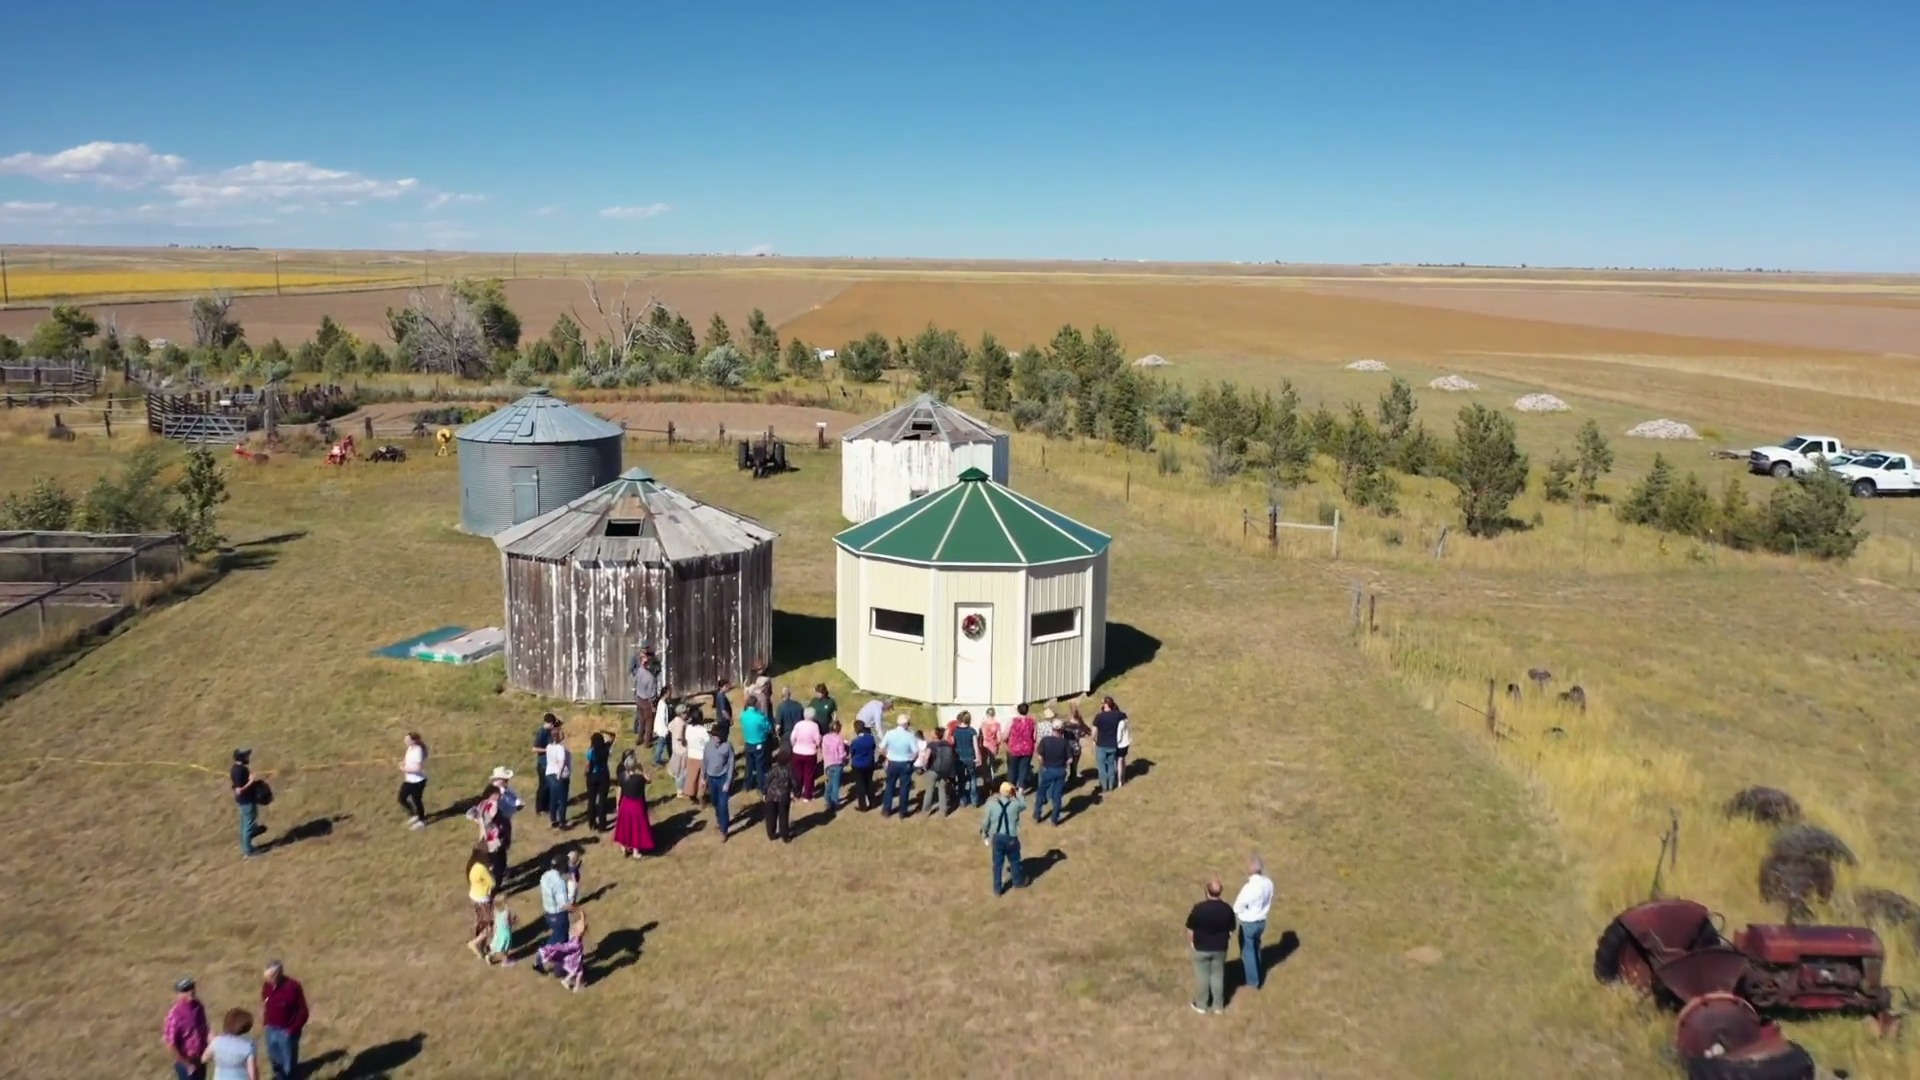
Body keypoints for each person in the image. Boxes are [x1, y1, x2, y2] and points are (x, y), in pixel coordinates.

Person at [1186, 880, 1237, 1014]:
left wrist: (1192, 943)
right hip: (1220, 948)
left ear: (1207, 892)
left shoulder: (1199, 909)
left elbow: (1190, 928)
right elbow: (1232, 929)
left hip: (1201, 947)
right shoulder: (1227, 909)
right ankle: (1218, 1006)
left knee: (1202, 976)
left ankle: (1201, 1005)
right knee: (1218, 976)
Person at [260, 961, 308, 1080]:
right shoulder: (267, 986)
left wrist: (291, 1030)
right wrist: (266, 1022)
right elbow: (265, 1001)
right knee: (274, 1061)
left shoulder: (293, 987)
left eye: (270, 977)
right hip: (270, 1030)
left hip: (286, 1032)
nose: (268, 980)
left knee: (288, 1064)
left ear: (279, 974)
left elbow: (303, 1012)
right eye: (266, 977)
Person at [1233, 855, 1275, 991]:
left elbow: (1237, 906)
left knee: (1248, 951)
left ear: (1251, 869)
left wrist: (1242, 914)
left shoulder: (1250, 887)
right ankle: (1258, 969)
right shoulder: (1268, 883)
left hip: (1249, 923)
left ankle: (1253, 981)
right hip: (1261, 921)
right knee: (1256, 946)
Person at [980, 782, 1027, 895]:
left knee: (997, 865)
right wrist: (1017, 793)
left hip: (997, 838)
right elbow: (1024, 804)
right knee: (1015, 861)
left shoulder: (991, 804)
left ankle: (997, 889)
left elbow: (985, 822)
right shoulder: (1015, 805)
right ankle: (1017, 882)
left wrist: (984, 834)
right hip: (1011, 837)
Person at [163, 976, 210, 1080]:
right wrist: (186, 1064)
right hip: (187, 1063)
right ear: (178, 994)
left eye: (192, 988)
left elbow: (205, 1029)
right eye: (185, 990)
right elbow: (171, 1044)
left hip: (201, 1060)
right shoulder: (175, 1015)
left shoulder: (198, 1007)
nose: (191, 992)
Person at [613, 751, 657, 858]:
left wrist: (618, 804)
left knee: (625, 826)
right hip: (637, 806)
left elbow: (619, 791)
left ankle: (624, 848)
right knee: (637, 828)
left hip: (625, 804)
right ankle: (635, 852)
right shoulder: (640, 778)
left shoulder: (623, 776)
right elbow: (649, 780)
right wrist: (641, 770)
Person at [535, 854, 572, 971]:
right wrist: (577, 909)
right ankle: (543, 956)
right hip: (559, 916)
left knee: (563, 940)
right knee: (559, 940)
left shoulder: (545, 876)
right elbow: (564, 904)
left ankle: (561, 966)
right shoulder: (559, 883)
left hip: (548, 913)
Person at [880, 715, 918, 818]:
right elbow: (915, 752)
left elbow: (881, 748)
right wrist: (911, 760)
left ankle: (886, 810)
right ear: (906, 724)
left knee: (890, 786)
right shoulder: (910, 736)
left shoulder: (890, 733)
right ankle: (902, 811)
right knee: (904, 787)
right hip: (905, 763)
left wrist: (887, 756)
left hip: (892, 762)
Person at [204, 1008, 258, 1080]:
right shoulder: (249, 1045)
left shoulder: (217, 1042)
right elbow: (252, 1072)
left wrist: (211, 1043)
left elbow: (204, 1059)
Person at [703, 726, 736, 840]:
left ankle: (724, 830)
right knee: (715, 802)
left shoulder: (727, 746)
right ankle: (719, 819)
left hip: (723, 778)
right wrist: (703, 778)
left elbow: (731, 764)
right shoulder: (707, 746)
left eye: (719, 737)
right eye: (715, 737)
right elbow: (705, 761)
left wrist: (728, 781)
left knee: (723, 805)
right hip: (711, 778)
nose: (717, 739)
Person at [1034, 721, 1070, 825]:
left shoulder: (1045, 741)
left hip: (1048, 769)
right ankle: (1054, 818)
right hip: (1060, 770)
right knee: (1057, 795)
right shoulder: (1064, 743)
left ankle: (1037, 815)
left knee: (1041, 792)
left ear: (1052, 729)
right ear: (1062, 730)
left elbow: (1039, 755)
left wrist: (1044, 764)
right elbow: (1070, 759)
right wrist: (1064, 764)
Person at [232, 748, 264, 858]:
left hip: (243, 801)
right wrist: (251, 781)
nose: (248, 758)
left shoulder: (234, 769)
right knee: (248, 825)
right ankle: (248, 850)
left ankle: (249, 840)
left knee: (246, 823)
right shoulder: (241, 770)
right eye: (246, 756)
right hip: (247, 801)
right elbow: (239, 790)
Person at [466, 843, 496, 960]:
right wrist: (491, 871)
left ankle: (481, 947)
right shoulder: (482, 868)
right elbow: (492, 883)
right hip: (483, 898)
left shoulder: (472, 865)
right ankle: (474, 943)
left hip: (475, 896)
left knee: (481, 923)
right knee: (490, 925)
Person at [740, 692, 772, 792]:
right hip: (759, 743)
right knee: (760, 766)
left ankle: (747, 785)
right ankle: (761, 786)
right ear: (755, 704)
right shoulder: (759, 717)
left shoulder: (743, 715)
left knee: (749, 765)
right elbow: (768, 728)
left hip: (748, 742)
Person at [1093, 696, 1126, 792]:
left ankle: (1104, 786)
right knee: (1111, 765)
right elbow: (1124, 715)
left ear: (1106, 705)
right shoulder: (1118, 715)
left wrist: (1094, 740)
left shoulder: (1099, 717)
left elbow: (1094, 732)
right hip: (1112, 745)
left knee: (1102, 766)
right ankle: (1111, 786)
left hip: (1101, 745)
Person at [762, 747, 795, 842]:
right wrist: (794, 792)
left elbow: (767, 782)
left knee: (771, 816)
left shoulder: (773, 769)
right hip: (784, 797)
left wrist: (765, 793)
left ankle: (771, 834)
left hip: (771, 796)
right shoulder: (789, 771)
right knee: (783, 816)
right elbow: (794, 782)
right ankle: (785, 836)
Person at [790, 707, 822, 802]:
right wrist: (816, 746)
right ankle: (807, 795)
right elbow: (817, 740)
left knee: (797, 774)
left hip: (797, 752)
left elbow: (792, 738)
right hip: (810, 753)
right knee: (809, 774)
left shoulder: (798, 724)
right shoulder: (815, 726)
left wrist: (794, 746)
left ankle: (796, 793)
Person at [584, 731, 614, 831]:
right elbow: (612, 736)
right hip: (603, 775)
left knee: (591, 800)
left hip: (592, 776)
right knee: (602, 801)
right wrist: (605, 731)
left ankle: (591, 823)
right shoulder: (606, 748)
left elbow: (588, 767)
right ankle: (602, 825)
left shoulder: (591, 752)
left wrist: (586, 773)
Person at [950, 712, 981, 807]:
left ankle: (963, 800)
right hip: (970, 757)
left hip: (959, 758)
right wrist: (978, 757)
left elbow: (953, 744)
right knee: (972, 778)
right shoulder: (972, 731)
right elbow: (976, 746)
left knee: (961, 779)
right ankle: (974, 800)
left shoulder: (955, 731)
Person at [924, 724, 956, 818]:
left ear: (935, 735)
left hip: (933, 770)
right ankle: (943, 811)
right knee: (942, 790)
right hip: (945, 770)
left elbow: (926, 758)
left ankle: (926, 811)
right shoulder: (947, 744)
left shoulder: (931, 745)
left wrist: (925, 766)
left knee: (930, 790)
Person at [398, 732, 428, 829]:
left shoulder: (418, 750)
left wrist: (405, 769)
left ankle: (422, 820)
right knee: (401, 798)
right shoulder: (410, 748)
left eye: (407, 740)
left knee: (417, 801)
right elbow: (408, 760)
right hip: (409, 780)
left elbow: (418, 768)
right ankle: (414, 815)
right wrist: (403, 763)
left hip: (418, 781)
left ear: (413, 741)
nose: (405, 741)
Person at [544, 726, 572, 829]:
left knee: (553, 798)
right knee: (563, 800)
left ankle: (553, 819)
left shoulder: (548, 747)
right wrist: (559, 775)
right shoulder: (560, 748)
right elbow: (562, 762)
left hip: (550, 773)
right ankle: (562, 821)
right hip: (560, 775)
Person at [630, 642, 659, 739]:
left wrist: (653, 672)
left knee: (648, 713)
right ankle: (637, 729)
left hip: (650, 684)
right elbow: (631, 668)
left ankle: (645, 734)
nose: (646, 650)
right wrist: (639, 674)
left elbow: (658, 667)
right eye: (644, 648)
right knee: (640, 712)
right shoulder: (636, 657)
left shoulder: (652, 657)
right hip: (641, 685)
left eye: (647, 648)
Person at [1006, 706, 1037, 795]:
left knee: (1012, 770)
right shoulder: (1032, 721)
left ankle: (1011, 790)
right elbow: (1034, 737)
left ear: (1018, 710)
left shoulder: (1013, 721)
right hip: (1027, 749)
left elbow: (1005, 734)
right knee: (1024, 769)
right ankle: (1020, 791)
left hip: (1014, 749)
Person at [848, 721, 879, 811]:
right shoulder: (870, 738)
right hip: (869, 763)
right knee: (869, 783)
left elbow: (852, 752)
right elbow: (873, 747)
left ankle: (863, 806)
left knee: (860, 785)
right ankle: (873, 802)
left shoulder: (855, 742)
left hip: (858, 765)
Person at [531, 714, 558, 816]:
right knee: (543, 786)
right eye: (552, 724)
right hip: (543, 763)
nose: (553, 726)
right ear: (548, 723)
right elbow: (534, 749)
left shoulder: (549, 732)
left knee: (549, 786)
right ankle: (539, 808)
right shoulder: (541, 733)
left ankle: (546, 806)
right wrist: (547, 750)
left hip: (550, 763)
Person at [1059, 707, 1092, 788]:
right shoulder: (1080, 726)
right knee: (1074, 767)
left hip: (1066, 749)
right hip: (1076, 749)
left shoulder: (1065, 725)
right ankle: (1073, 781)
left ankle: (1063, 782)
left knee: (1063, 766)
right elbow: (1089, 732)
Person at [820, 719, 848, 814]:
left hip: (828, 763)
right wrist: (846, 757)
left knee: (830, 782)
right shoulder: (839, 739)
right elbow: (841, 753)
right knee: (836, 783)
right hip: (837, 763)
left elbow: (823, 750)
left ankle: (827, 797)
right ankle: (835, 801)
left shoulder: (825, 738)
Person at [683, 719, 711, 803]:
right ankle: (701, 795)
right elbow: (708, 742)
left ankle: (691, 793)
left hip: (691, 755)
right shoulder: (703, 730)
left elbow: (686, 739)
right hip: (701, 755)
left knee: (691, 777)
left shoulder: (688, 728)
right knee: (702, 778)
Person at [666, 704, 690, 797]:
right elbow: (679, 737)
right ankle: (680, 790)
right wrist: (685, 740)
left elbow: (670, 727)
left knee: (678, 770)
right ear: (682, 714)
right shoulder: (682, 723)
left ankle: (681, 788)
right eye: (686, 713)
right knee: (682, 771)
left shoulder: (675, 720)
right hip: (682, 750)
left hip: (675, 748)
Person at [978, 707, 1003, 789]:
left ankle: (985, 780)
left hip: (984, 745)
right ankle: (992, 781)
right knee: (992, 765)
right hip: (993, 746)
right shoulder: (997, 724)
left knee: (984, 764)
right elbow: (999, 738)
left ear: (987, 714)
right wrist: (997, 744)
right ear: (994, 714)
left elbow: (980, 735)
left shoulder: (983, 724)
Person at [487, 899, 517, 967]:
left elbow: (495, 923)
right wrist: (514, 920)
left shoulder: (495, 911)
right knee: (505, 949)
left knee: (496, 946)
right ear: (504, 904)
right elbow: (509, 923)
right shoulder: (507, 912)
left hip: (498, 931)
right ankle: (505, 962)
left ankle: (489, 955)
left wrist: (494, 932)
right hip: (506, 933)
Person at [1115, 706, 1133, 788]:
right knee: (1122, 761)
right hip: (1126, 743)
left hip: (1120, 745)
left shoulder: (1119, 723)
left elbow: (1118, 737)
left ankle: (1119, 781)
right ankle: (1123, 778)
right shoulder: (1125, 720)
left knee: (1118, 762)